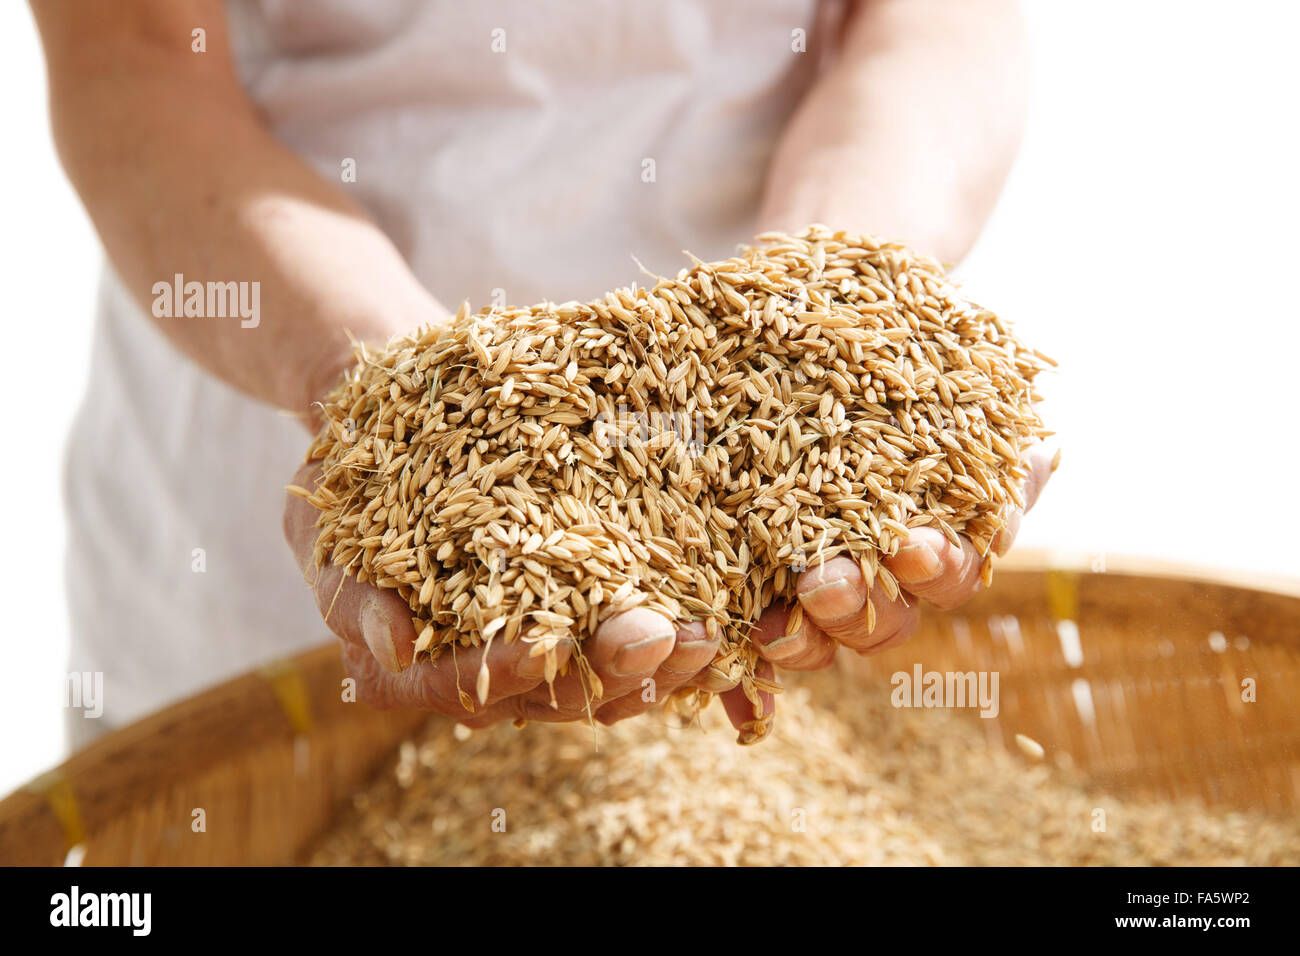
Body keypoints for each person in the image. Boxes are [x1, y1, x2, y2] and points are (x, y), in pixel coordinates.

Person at [32, 0, 1053, 748]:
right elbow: (132, 52)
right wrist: (385, 389)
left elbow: (938, 21)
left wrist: (827, 299)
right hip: (253, 492)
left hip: (788, 579)